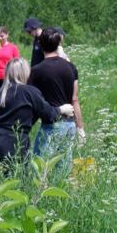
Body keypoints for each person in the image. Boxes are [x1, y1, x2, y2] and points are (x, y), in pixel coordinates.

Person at [0, 58, 72, 182]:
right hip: (16, 143)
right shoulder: (31, 92)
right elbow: (49, 115)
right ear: (25, 73)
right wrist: (62, 109)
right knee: (17, 182)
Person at [27, 28, 84, 171]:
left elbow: (31, 101)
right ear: (58, 43)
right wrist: (80, 128)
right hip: (69, 124)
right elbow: (74, 99)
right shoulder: (71, 67)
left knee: (39, 168)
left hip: (50, 126)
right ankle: (60, 193)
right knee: (63, 169)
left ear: (40, 44)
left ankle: (39, 193)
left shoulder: (37, 70)